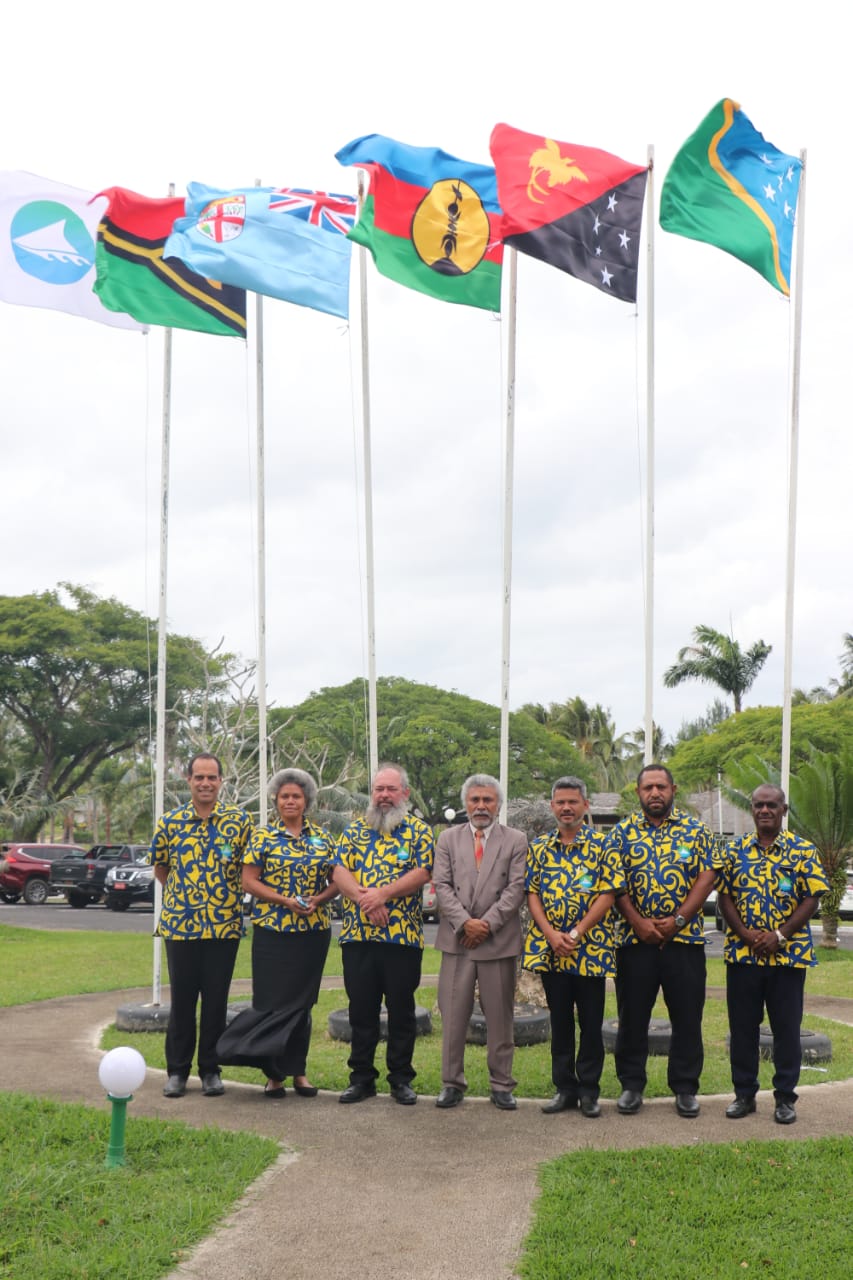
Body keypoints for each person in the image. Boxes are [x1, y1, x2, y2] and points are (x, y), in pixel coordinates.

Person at [605, 763, 721, 1118]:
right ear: (638, 793)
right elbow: (614, 881)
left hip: (683, 944)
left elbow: (708, 875)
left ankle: (685, 1088)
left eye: (661, 787)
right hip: (634, 941)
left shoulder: (696, 830)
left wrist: (679, 920)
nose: (655, 793)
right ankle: (631, 1085)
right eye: (648, 788)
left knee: (687, 1017)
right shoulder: (621, 833)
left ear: (673, 790)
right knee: (632, 1016)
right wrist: (638, 922)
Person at [219, 768, 339, 1098]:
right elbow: (249, 881)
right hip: (272, 932)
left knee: (302, 1005)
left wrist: (319, 899)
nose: (290, 801)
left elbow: (337, 880)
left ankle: (298, 1072)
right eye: (284, 796)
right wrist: (285, 900)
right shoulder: (263, 837)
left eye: (296, 796)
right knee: (271, 1002)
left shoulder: (323, 838)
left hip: (313, 932)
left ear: (307, 801)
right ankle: (273, 1075)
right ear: (276, 800)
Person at [718, 783, 828, 1125]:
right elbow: (724, 897)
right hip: (743, 955)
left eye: (771, 805)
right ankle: (744, 1095)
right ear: (751, 810)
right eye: (758, 805)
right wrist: (746, 935)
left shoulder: (802, 850)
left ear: (784, 810)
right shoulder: (734, 851)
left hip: (788, 958)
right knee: (743, 1029)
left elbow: (812, 898)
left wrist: (780, 935)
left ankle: (784, 1099)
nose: (764, 810)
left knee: (786, 1029)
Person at [152, 752, 253, 1099]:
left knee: (215, 1002)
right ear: (189, 781)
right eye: (199, 777)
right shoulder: (170, 822)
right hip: (181, 927)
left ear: (221, 781)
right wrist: (188, 899)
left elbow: (247, 871)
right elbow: (161, 870)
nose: (206, 783)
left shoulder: (240, 822)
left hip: (223, 927)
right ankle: (177, 1072)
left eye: (212, 778)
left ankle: (210, 1070)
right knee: (182, 1001)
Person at [523, 776, 624, 1118]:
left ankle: (589, 1091)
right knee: (561, 1023)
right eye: (560, 802)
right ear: (552, 806)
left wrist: (577, 932)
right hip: (552, 952)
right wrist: (552, 934)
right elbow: (532, 894)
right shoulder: (539, 847)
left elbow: (608, 894)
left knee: (591, 1024)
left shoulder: (604, 846)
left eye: (573, 802)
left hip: (590, 951)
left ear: (586, 805)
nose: (567, 808)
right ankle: (564, 1088)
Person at [332, 763, 433, 1105]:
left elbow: (423, 872)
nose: (384, 796)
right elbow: (339, 870)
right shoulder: (354, 830)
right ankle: (361, 1079)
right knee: (361, 1011)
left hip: (402, 940)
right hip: (358, 938)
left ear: (404, 793)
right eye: (379, 789)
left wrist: (385, 894)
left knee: (402, 1012)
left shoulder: (419, 831)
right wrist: (367, 899)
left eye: (391, 789)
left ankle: (400, 1079)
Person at [433, 774, 527, 1111]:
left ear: (498, 804)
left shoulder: (516, 840)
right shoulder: (447, 839)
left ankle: (501, 1085)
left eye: (488, 800)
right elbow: (441, 885)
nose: (481, 806)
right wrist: (465, 923)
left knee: (500, 1018)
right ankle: (451, 1083)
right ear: (465, 804)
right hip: (458, 942)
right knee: (453, 1016)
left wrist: (485, 925)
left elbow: (516, 889)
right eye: (475, 800)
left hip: (497, 942)